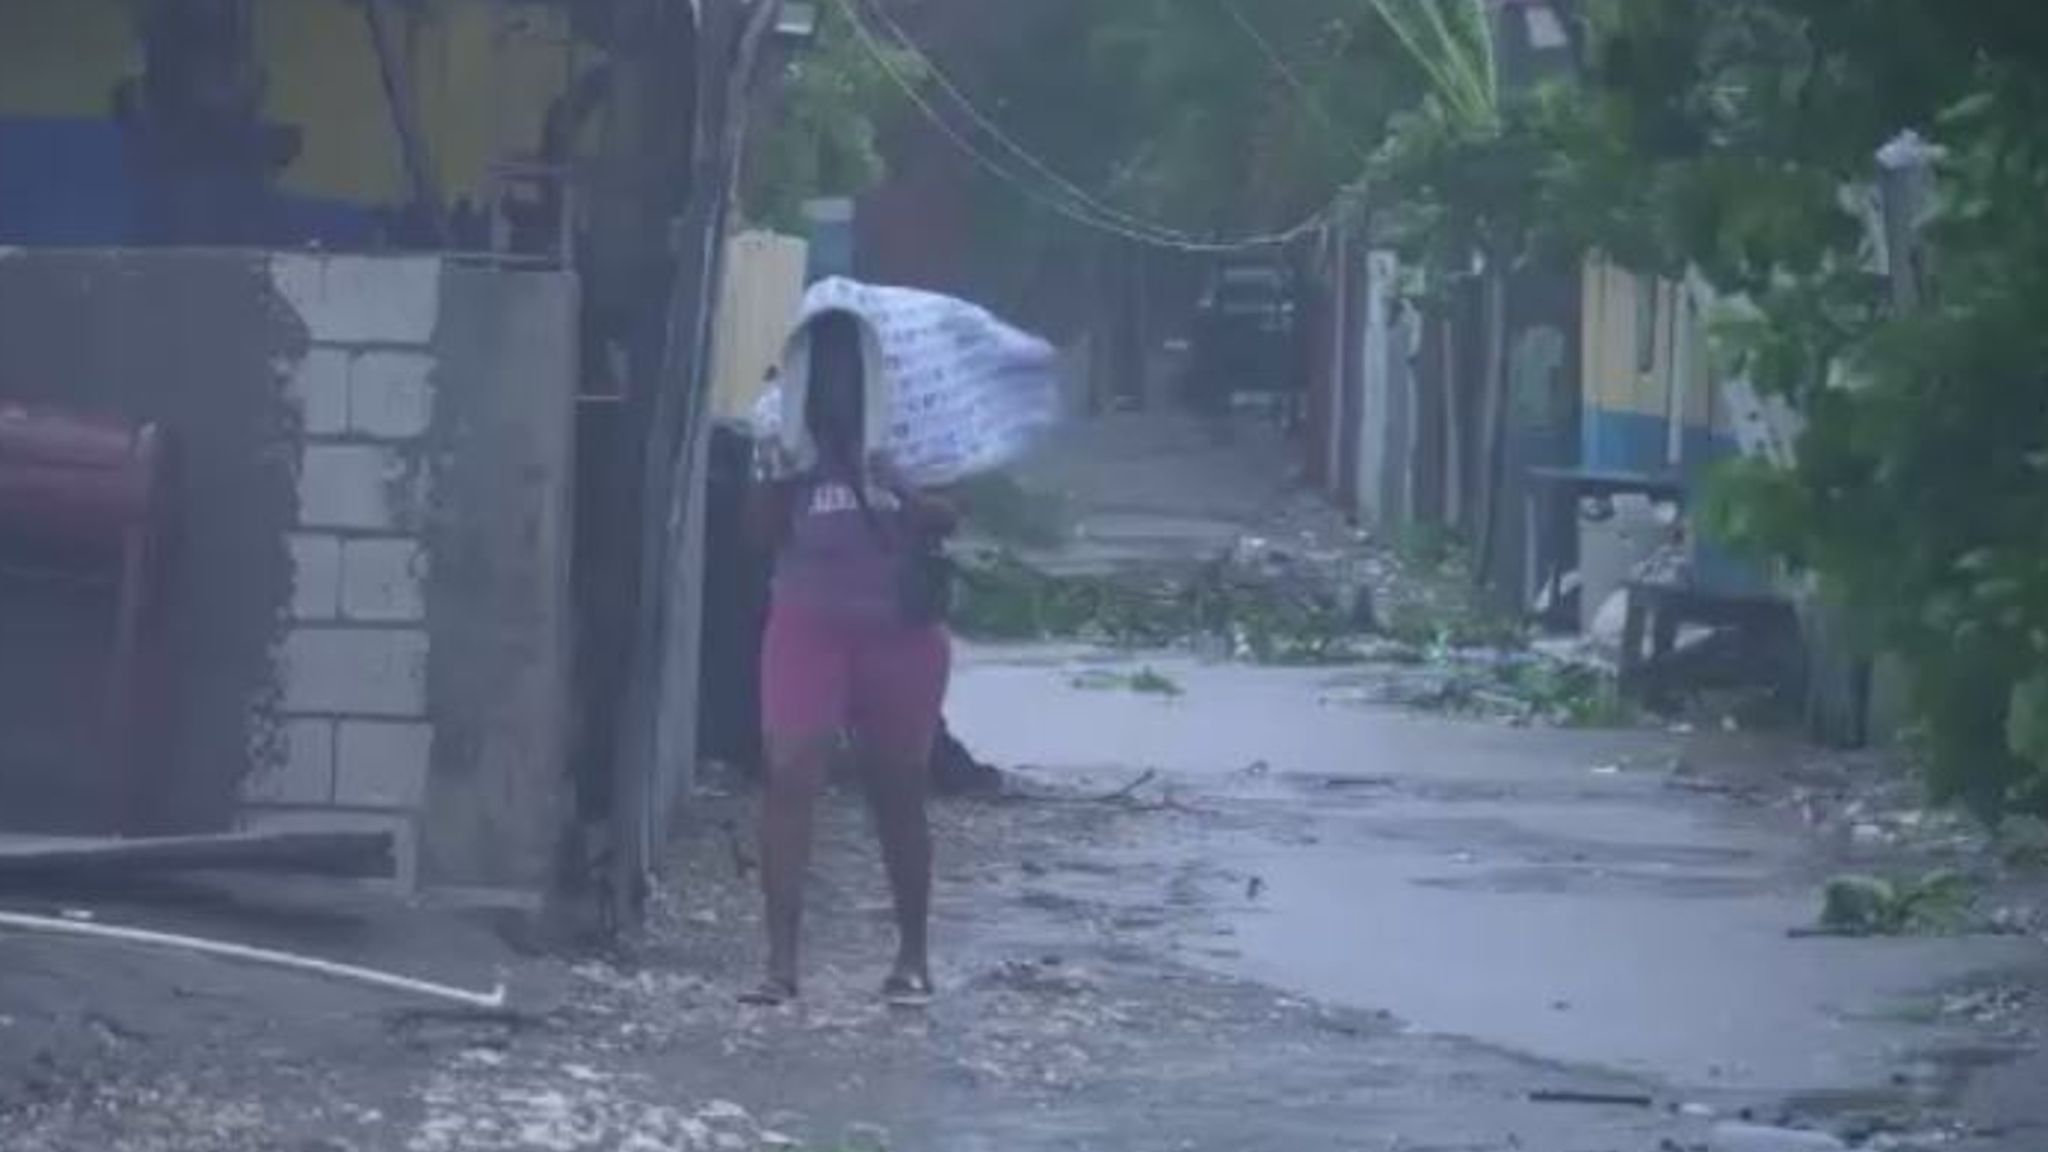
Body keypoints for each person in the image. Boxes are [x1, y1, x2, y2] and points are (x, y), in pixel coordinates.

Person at [743, 309, 957, 1007]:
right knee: (790, 773)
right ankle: (780, 964)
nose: (833, 383)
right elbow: (759, 535)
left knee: (897, 788)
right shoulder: (780, 433)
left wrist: (897, 484)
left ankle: (914, 956)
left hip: (899, 631)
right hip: (807, 624)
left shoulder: (911, 428)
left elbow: (953, 515)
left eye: (846, 366)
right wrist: (783, 473)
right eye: (821, 366)